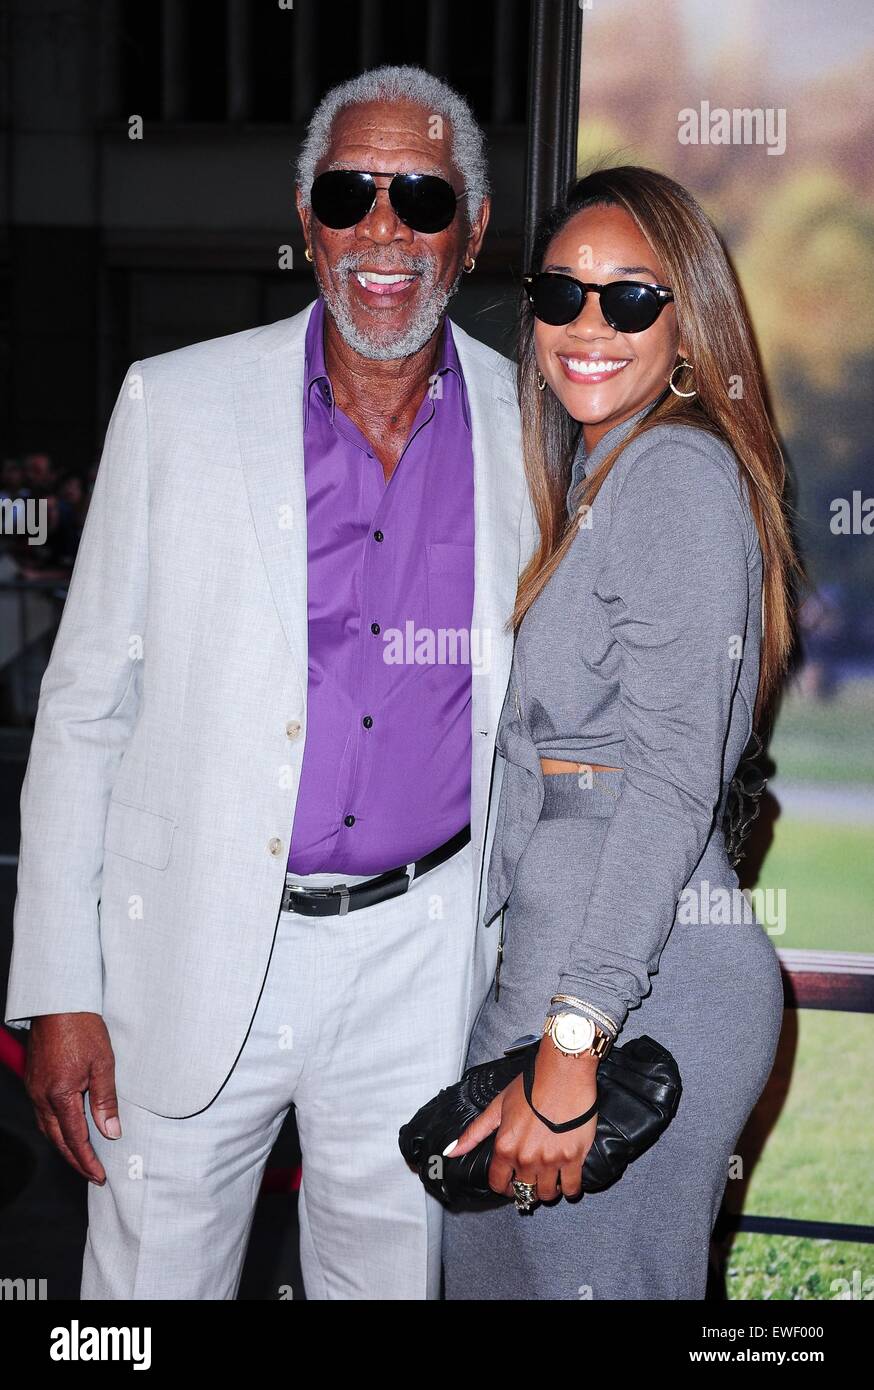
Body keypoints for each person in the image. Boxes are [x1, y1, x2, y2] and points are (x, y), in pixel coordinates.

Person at [5, 64, 536, 1301]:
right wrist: (58, 993)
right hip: (183, 952)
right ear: (307, 222)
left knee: (386, 1283)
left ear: (473, 230)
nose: (382, 229)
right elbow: (84, 712)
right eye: (349, 194)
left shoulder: (533, 433)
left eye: (420, 195)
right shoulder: (177, 405)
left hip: (423, 952)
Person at [441, 166, 800, 1300]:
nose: (587, 326)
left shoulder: (674, 475)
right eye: (561, 293)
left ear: (688, 323)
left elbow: (665, 786)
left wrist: (572, 1041)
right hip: (579, 967)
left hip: (635, 990)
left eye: (632, 298)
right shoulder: (607, 470)